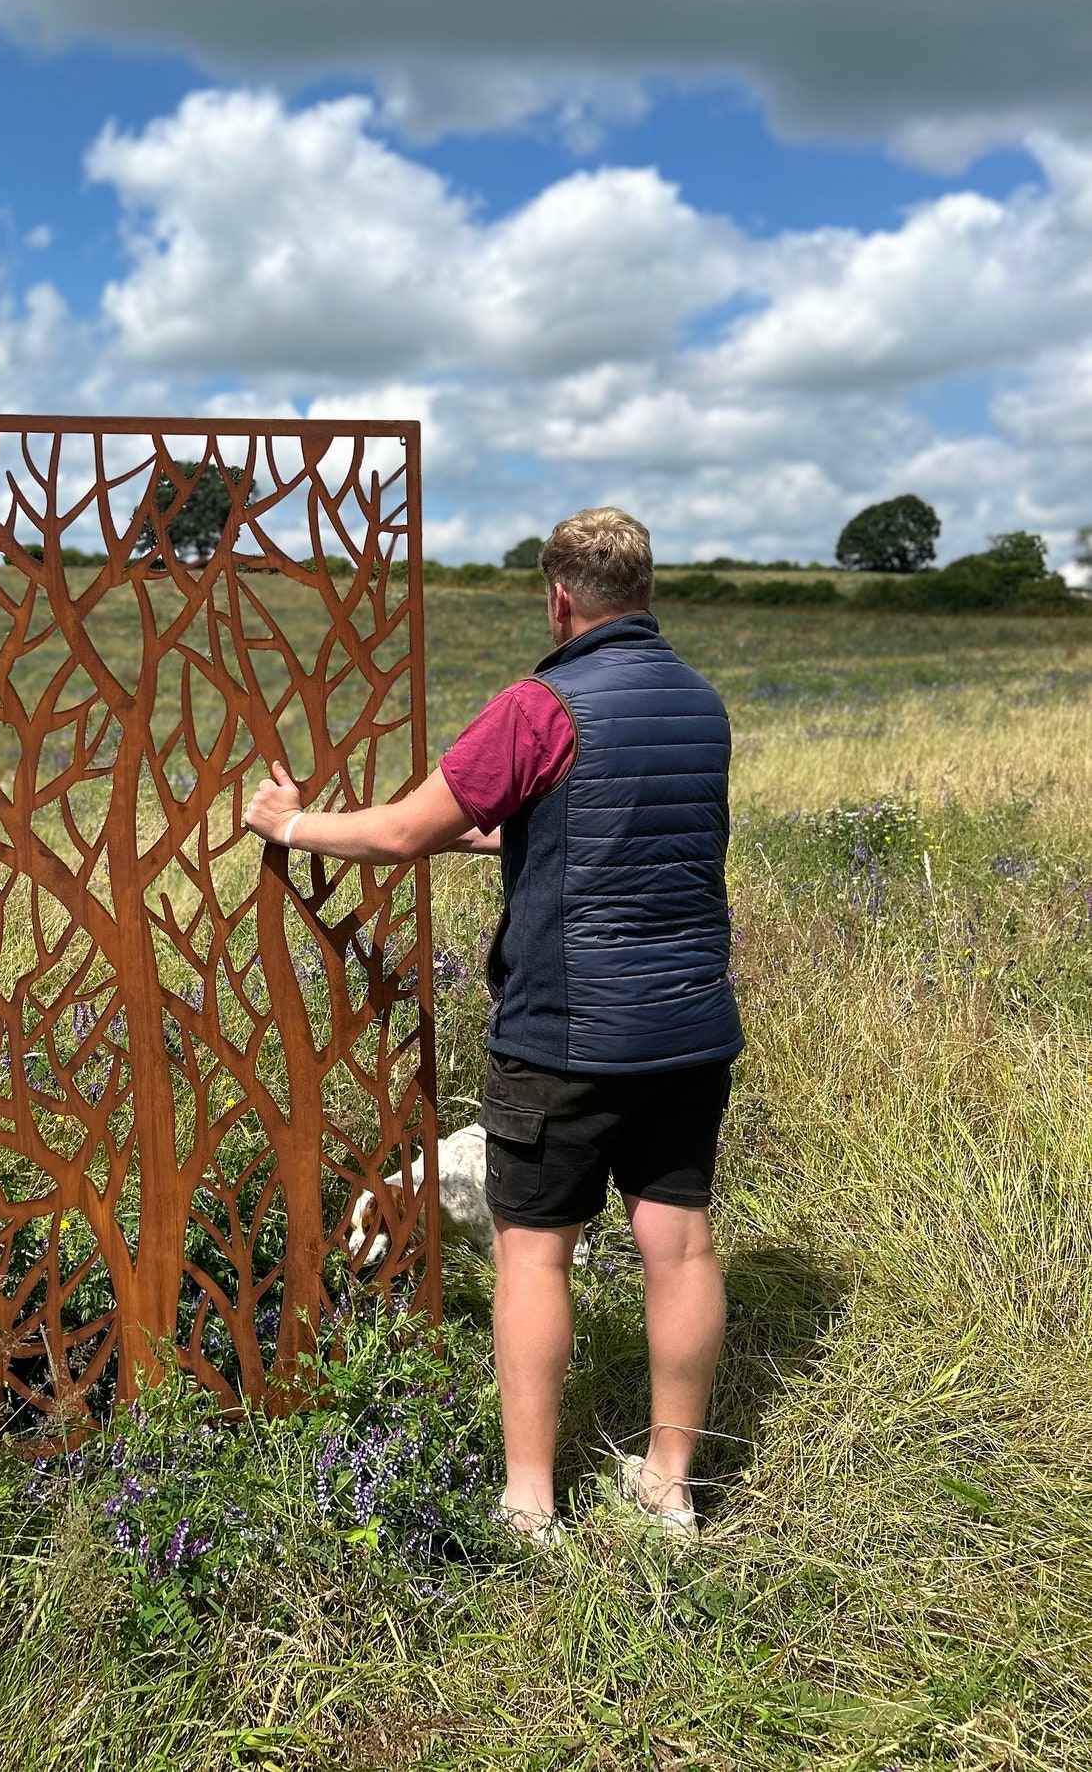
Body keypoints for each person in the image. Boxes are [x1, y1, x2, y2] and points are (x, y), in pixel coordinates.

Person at [244, 506, 742, 1541]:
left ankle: (527, 1501)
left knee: (533, 1251)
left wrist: (287, 821)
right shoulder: (700, 706)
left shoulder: (537, 704)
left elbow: (394, 829)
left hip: (566, 1031)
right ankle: (669, 1485)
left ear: (558, 596)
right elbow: (596, 824)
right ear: (644, 590)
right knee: (680, 1242)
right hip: (690, 1023)